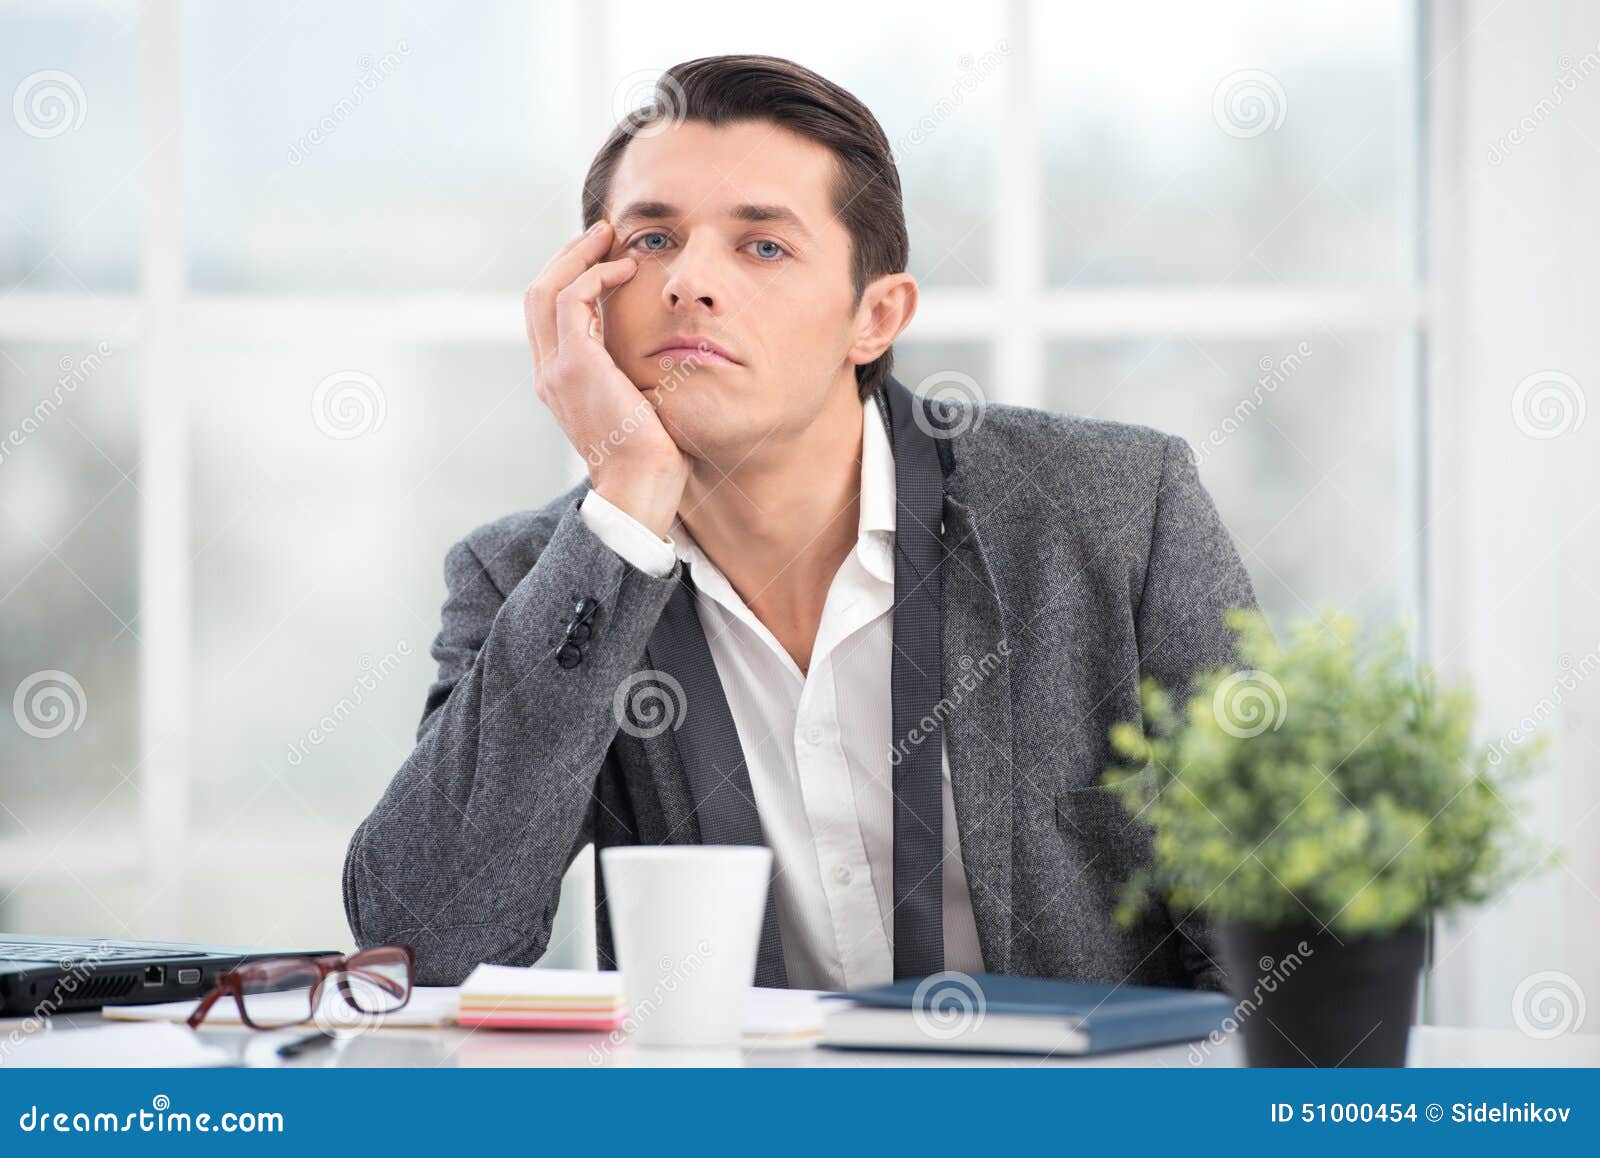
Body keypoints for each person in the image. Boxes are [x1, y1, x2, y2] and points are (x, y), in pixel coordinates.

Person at [342, 54, 1257, 991]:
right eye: (652, 240)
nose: (688, 282)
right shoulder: (539, 580)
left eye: (762, 246)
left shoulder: (1115, 511)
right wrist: (624, 500)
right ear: (586, 299)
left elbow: (1291, 915)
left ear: (875, 317)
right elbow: (423, 940)